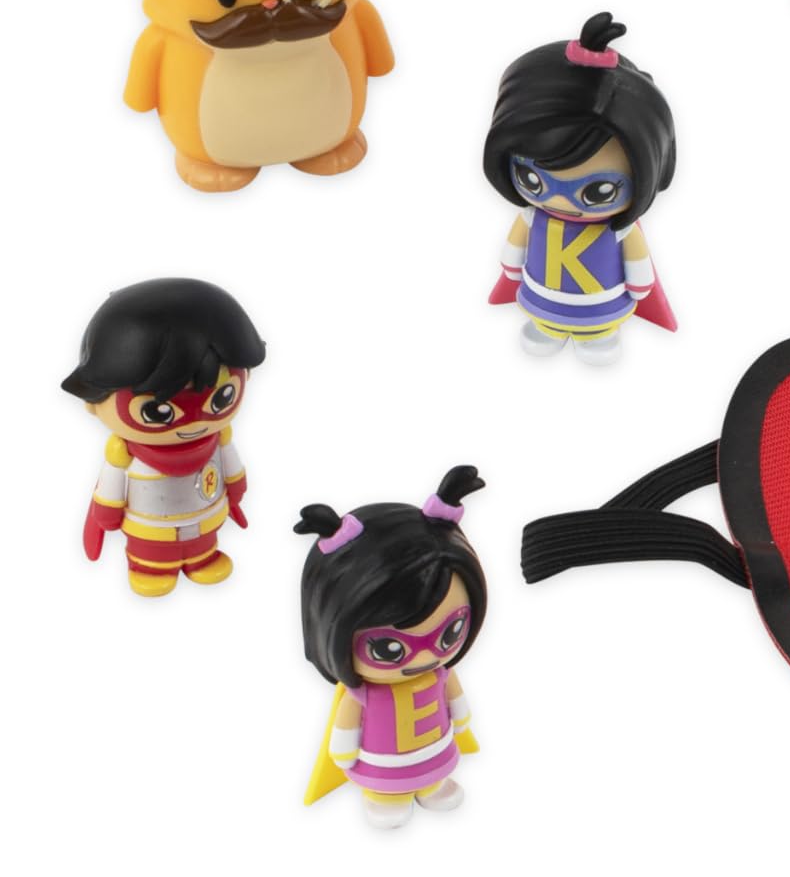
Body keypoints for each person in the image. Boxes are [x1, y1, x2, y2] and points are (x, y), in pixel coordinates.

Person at [297, 468, 489, 826]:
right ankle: (387, 797)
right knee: (390, 791)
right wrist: (344, 751)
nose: (427, 655)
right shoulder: (364, 695)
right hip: (384, 766)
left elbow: (456, 702)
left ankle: (432, 786)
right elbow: (344, 733)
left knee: (435, 776)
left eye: (449, 633)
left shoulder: (441, 674)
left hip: (435, 752)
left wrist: (461, 716)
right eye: (389, 649)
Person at [481, 14, 678, 359]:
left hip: (601, 307)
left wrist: (639, 285)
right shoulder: (532, 218)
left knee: (597, 335)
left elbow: (639, 271)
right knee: (545, 326)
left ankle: (596, 337)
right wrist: (511, 267)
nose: (560, 200)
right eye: (533, 179)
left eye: (598, 191)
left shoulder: (620, 231)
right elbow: (514, 253)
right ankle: (549, 330)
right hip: (543, 300)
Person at [61, 277, 266, 595]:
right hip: (151, 530)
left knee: (203, 543)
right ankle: (149, 567)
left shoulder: (219, 438)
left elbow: (232, 470)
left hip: (207, 519)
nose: (194, 422)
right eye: (158, 412)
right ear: (94, 402)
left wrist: (237, 487)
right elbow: (111, 485)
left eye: (221, 397)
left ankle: (202, 559)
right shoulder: (124, 453)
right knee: (153, 553)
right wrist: (108, 511)